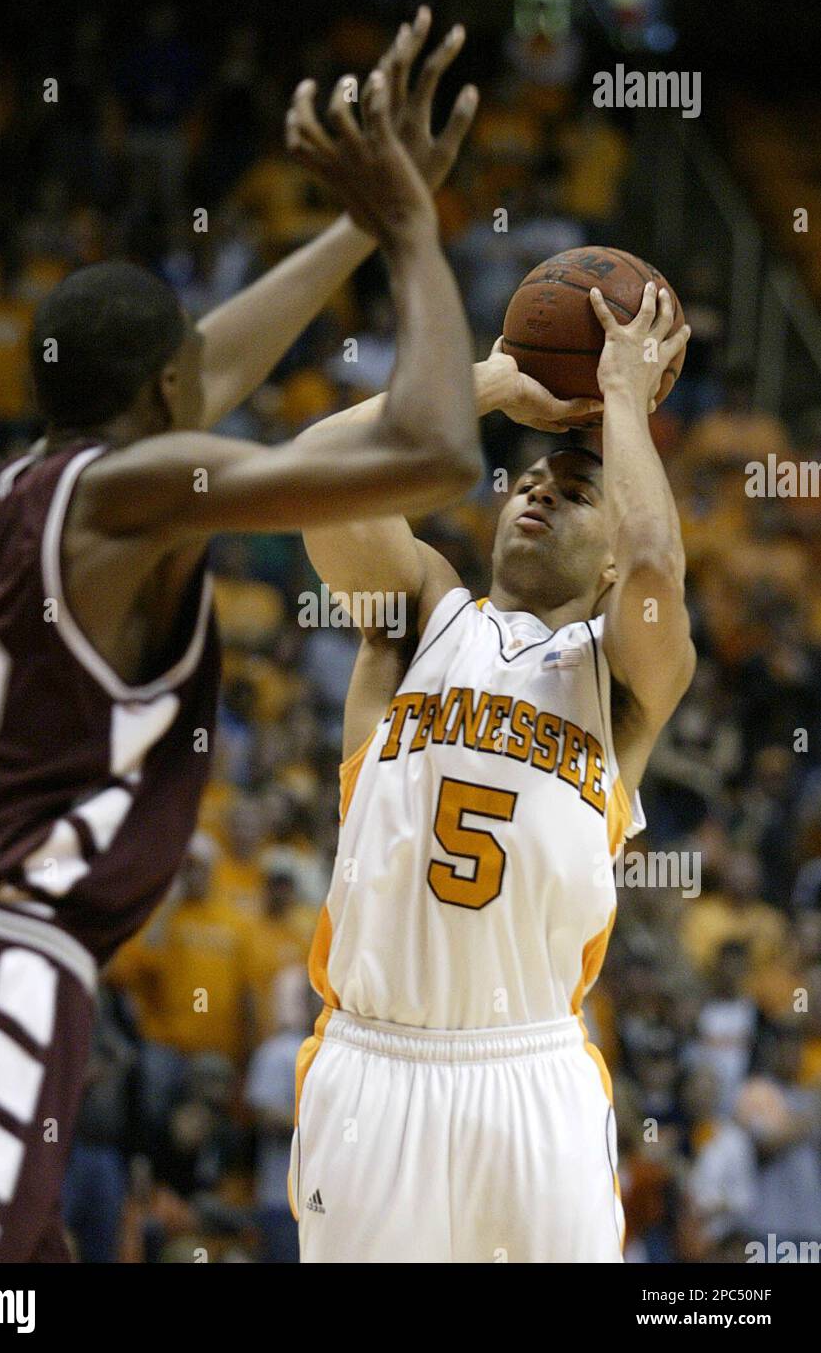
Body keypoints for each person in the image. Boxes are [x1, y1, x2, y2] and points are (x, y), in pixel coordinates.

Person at [0, 13, 514, 1262]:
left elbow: (198, 371)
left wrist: (352, 224)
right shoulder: (127, 495)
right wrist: (403, 233)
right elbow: (440, 449)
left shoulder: (12, 494)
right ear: (166, 399)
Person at [291, 279, 693, 1262]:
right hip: (373, 1069)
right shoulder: (418, 617)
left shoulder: (622, 681)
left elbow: (653, 568)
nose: (541, 488)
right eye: (524, 480)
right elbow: (312, 472)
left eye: (576, 487)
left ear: (604, 564)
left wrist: (627, 403)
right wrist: (490, 381)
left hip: (531, 1075)